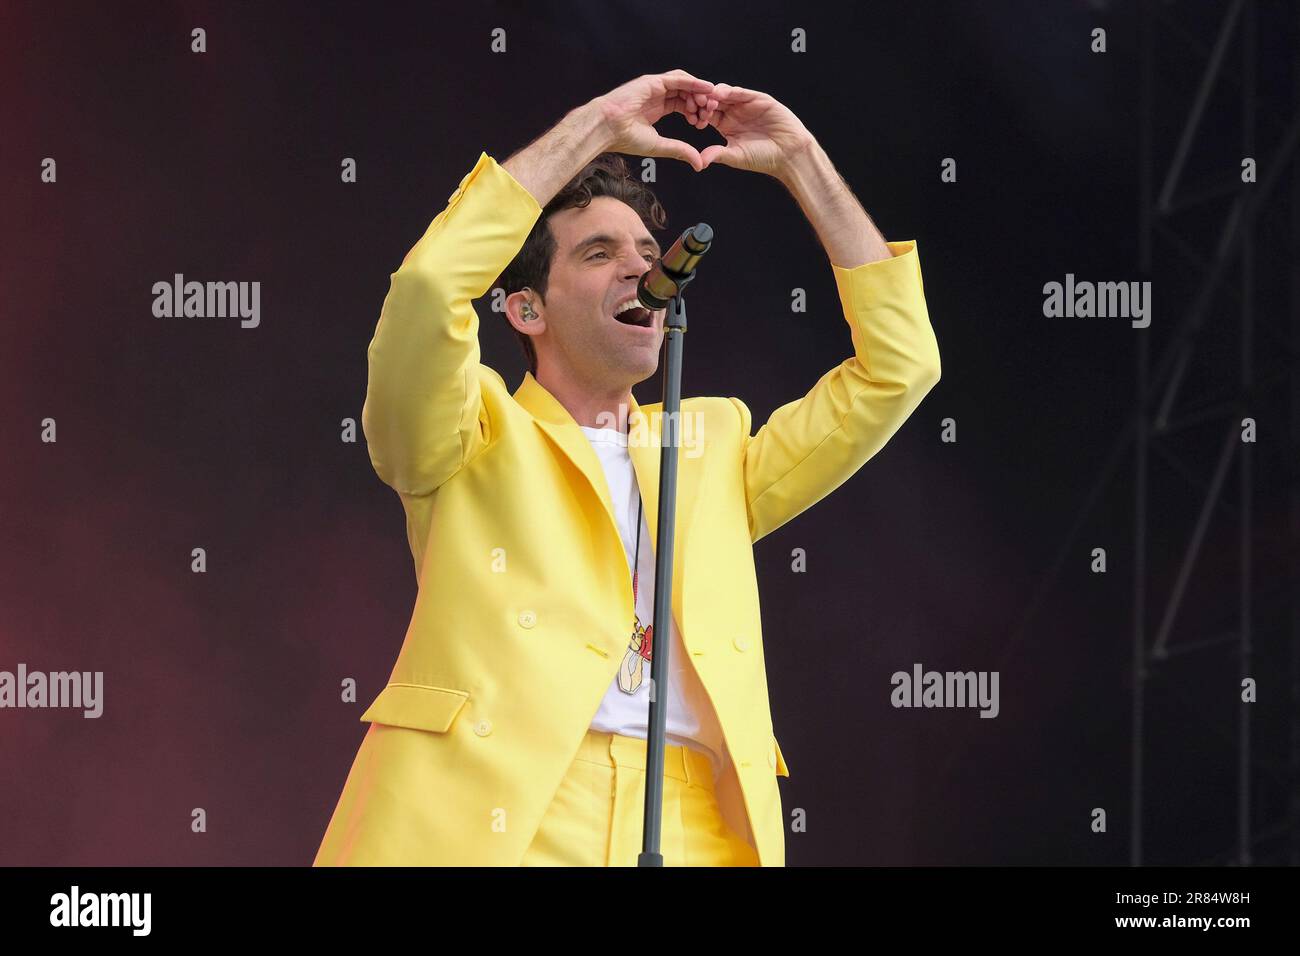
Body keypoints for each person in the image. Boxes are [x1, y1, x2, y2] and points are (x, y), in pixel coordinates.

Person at [314, 68, 941, 867]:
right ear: (526, 309)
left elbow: (901, 367)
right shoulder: (465, 430)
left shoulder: (714, 446)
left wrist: (800, 160)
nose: (637, 270)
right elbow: (433, 287)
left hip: (694, 824)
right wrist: (599, 125)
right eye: (598, 252)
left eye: (647, 253)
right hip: (507, 816)